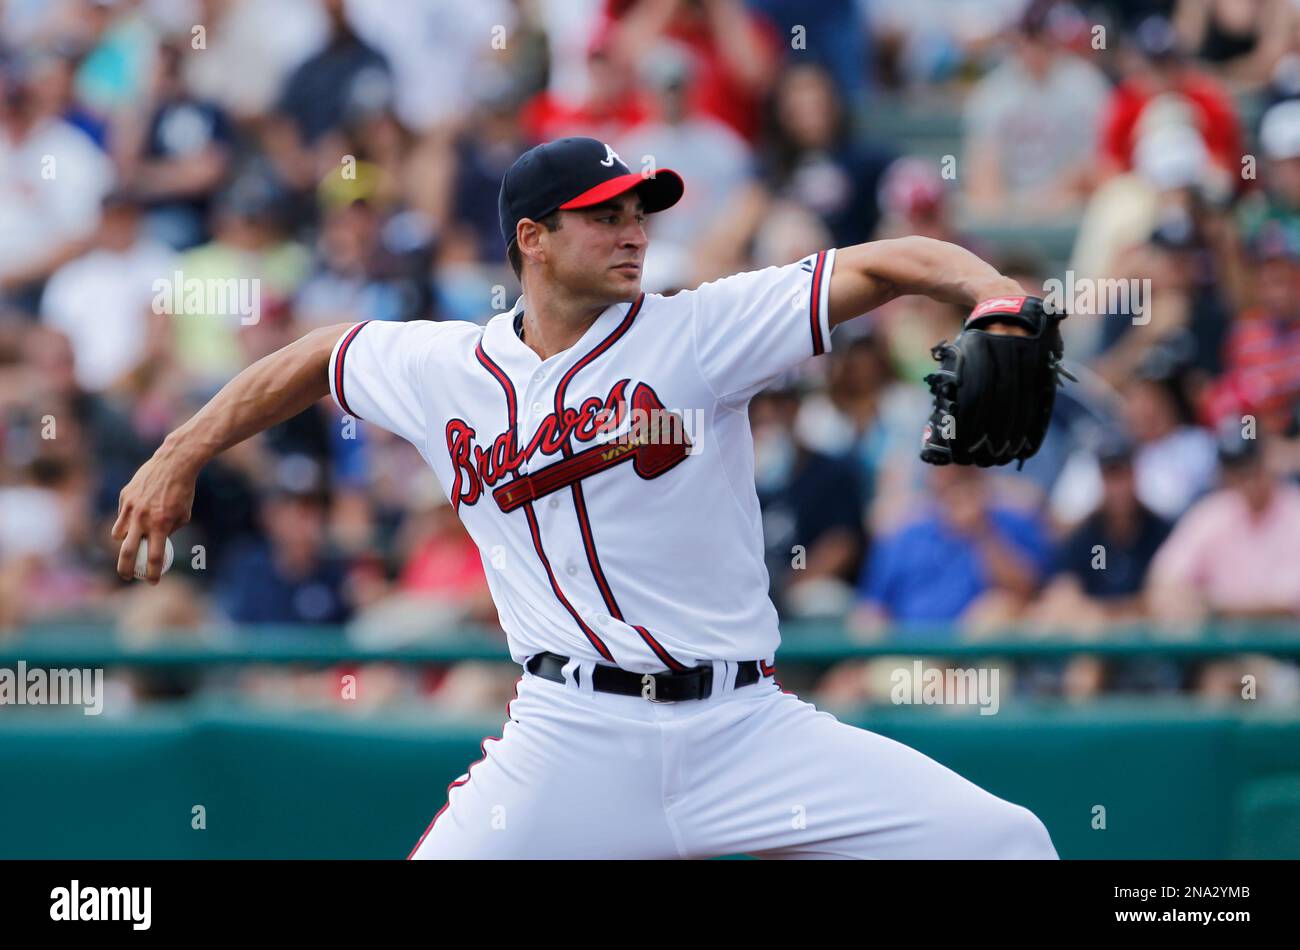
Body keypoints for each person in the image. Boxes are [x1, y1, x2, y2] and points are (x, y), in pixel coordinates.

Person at [114, 136, 1058, 859]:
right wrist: (178, 453)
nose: (634, 231)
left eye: (639, 212)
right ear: (533, 238)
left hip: (745, 729)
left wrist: (995, 295)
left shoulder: (697, 333)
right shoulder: (450, 365)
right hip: (572, 734)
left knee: (1006, 843)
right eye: (605, 216)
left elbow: (879, 264)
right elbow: (321, 353)